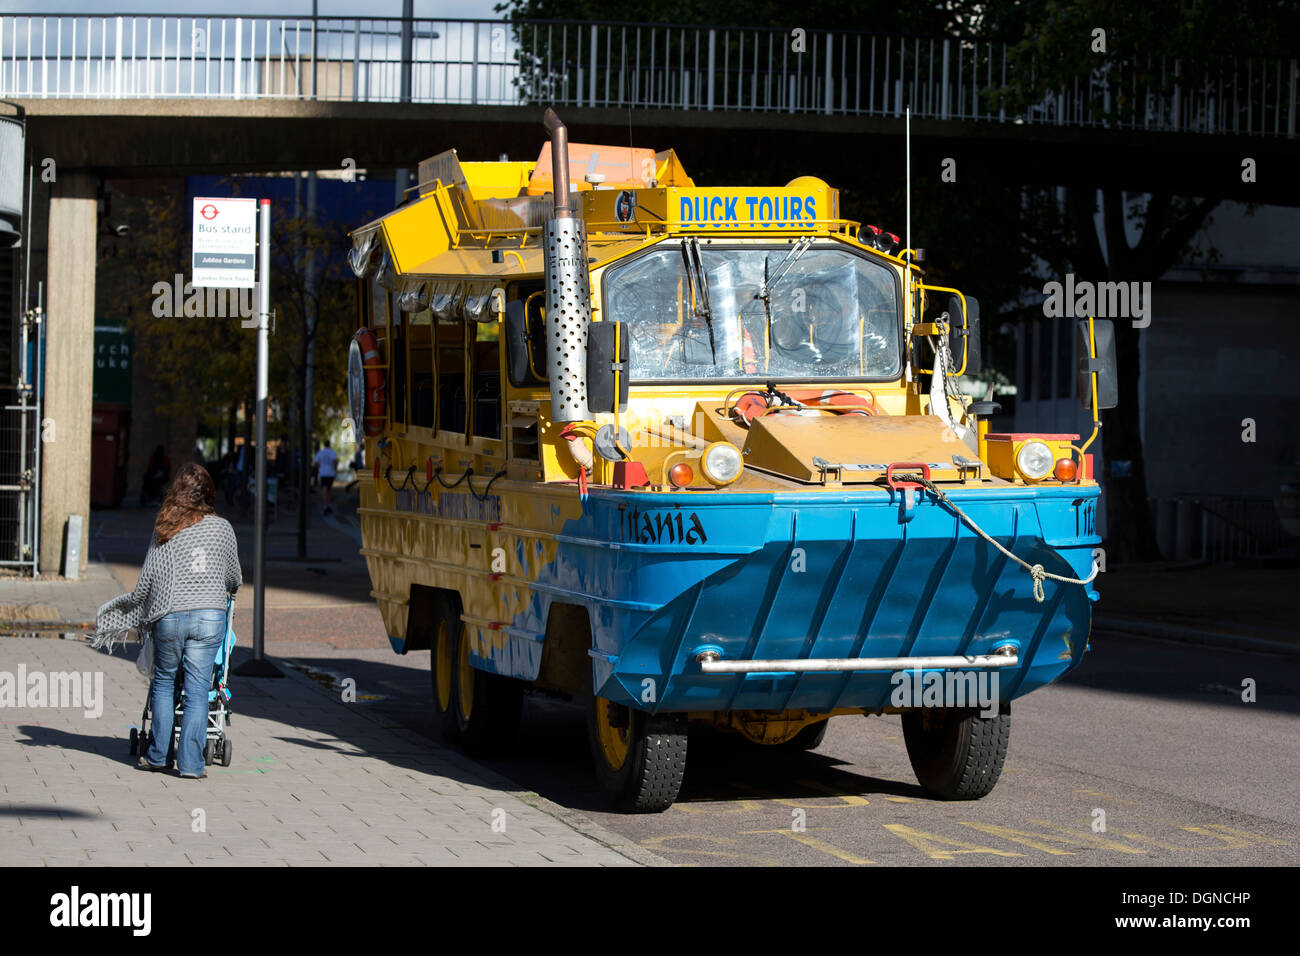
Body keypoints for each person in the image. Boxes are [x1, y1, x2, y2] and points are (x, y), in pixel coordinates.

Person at [93, 463, 242, 779]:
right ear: (209, 493)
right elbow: (232, 576)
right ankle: (191, 765)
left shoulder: (165, 527)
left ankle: (159, 755)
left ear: (176, 492)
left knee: (163, 682)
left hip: (170, 616)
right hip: (210, 617)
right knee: (199, 690)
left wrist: (139, 605)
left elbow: (148, 578)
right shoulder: (223, 528)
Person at [313, 440, 339, 515]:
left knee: (324, 488)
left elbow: (315, 463)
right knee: (329, 488)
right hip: (330, 473)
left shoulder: (320, 452)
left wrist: (319, 468)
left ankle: (325, 505)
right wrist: (335, 469)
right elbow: (335, 461)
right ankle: (329, 504)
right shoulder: (332, 452)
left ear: (324, 444)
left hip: (323, 473)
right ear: (329, 444)